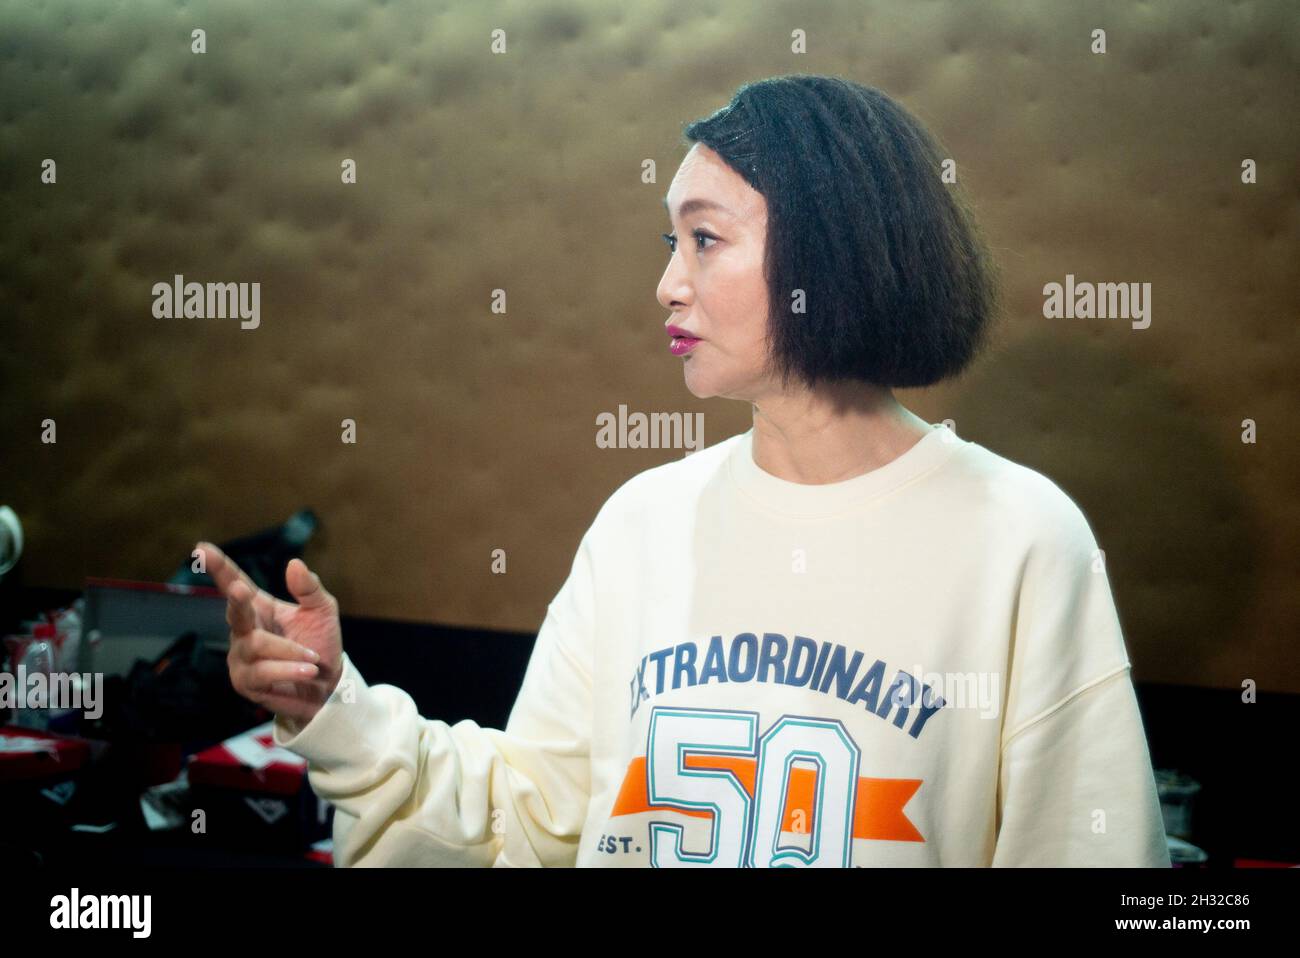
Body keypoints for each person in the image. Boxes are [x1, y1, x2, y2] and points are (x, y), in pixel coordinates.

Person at [201, 74, 1170, 867]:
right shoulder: (643, 520)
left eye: (705, 239)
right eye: (673, 242)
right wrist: (331, 706)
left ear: (833, 253)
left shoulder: (1017, 531)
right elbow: (533, 820)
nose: (668, 282)